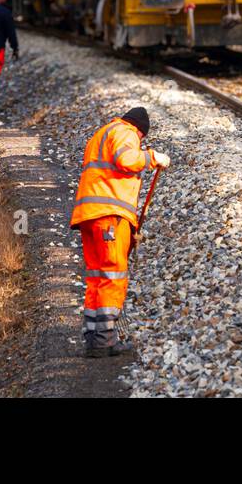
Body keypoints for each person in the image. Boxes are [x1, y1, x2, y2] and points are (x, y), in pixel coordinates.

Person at [69, 107, 170, 359]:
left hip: (89, 216)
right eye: (142, 139)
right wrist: (152, 157)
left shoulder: (102, 133)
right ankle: (105, 340)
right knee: (113, 276)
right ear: (140, 130)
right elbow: (126, 161)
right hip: (109, 216)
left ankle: (93, 339)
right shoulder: (126, 133)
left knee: (96, 277)